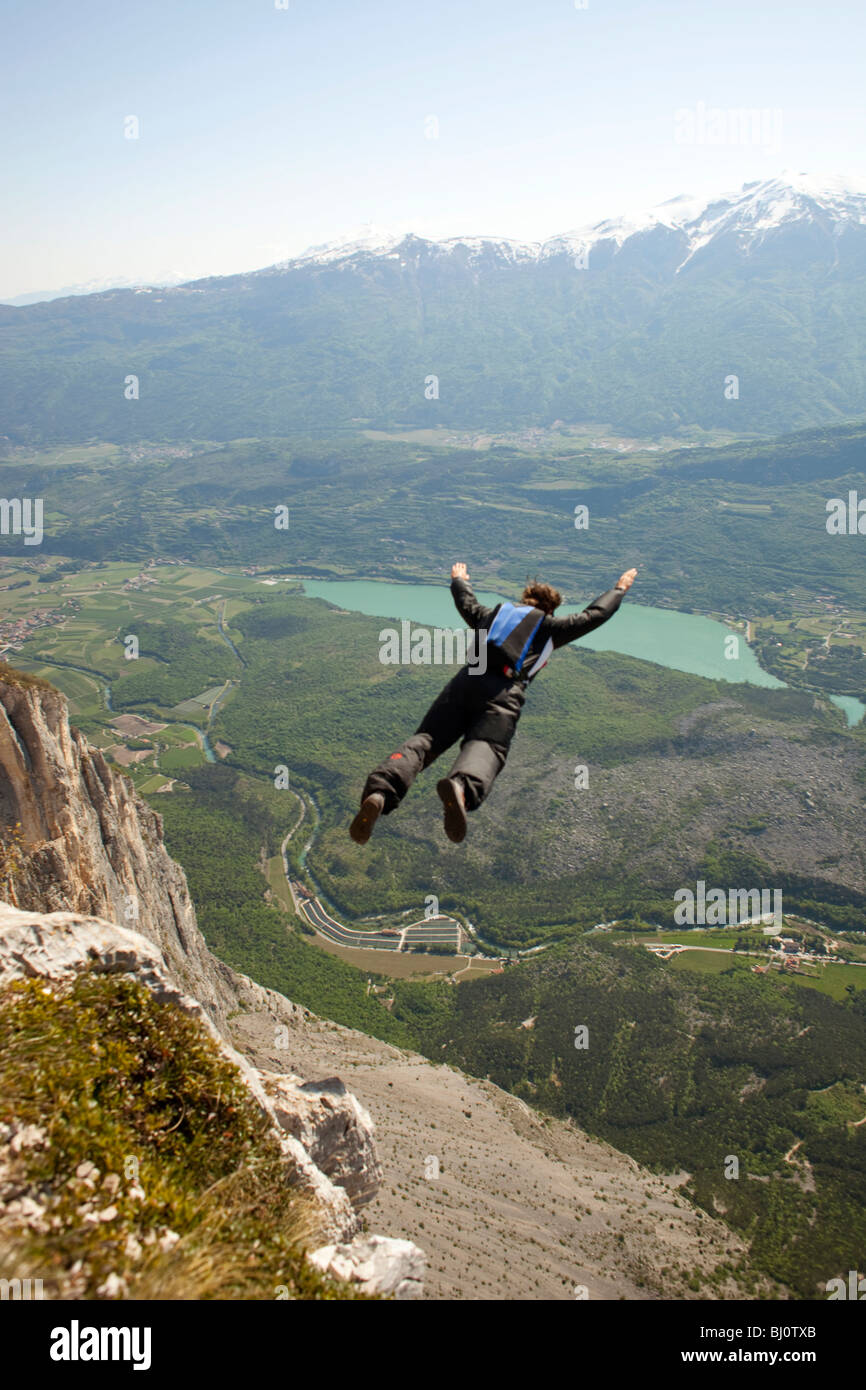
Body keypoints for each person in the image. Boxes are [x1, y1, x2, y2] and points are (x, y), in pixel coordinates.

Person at [350, 562, 637, 845]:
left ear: (524, 600)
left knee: (427, 740)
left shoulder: (491, 615)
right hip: (503, 691)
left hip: (466, 680)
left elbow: (466, 602)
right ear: (549, 608)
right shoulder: (549, 626)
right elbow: (595, 615)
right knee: (487, 746)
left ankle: (381, 792)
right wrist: (619, 589)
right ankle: (461, 788)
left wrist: (459, 579)